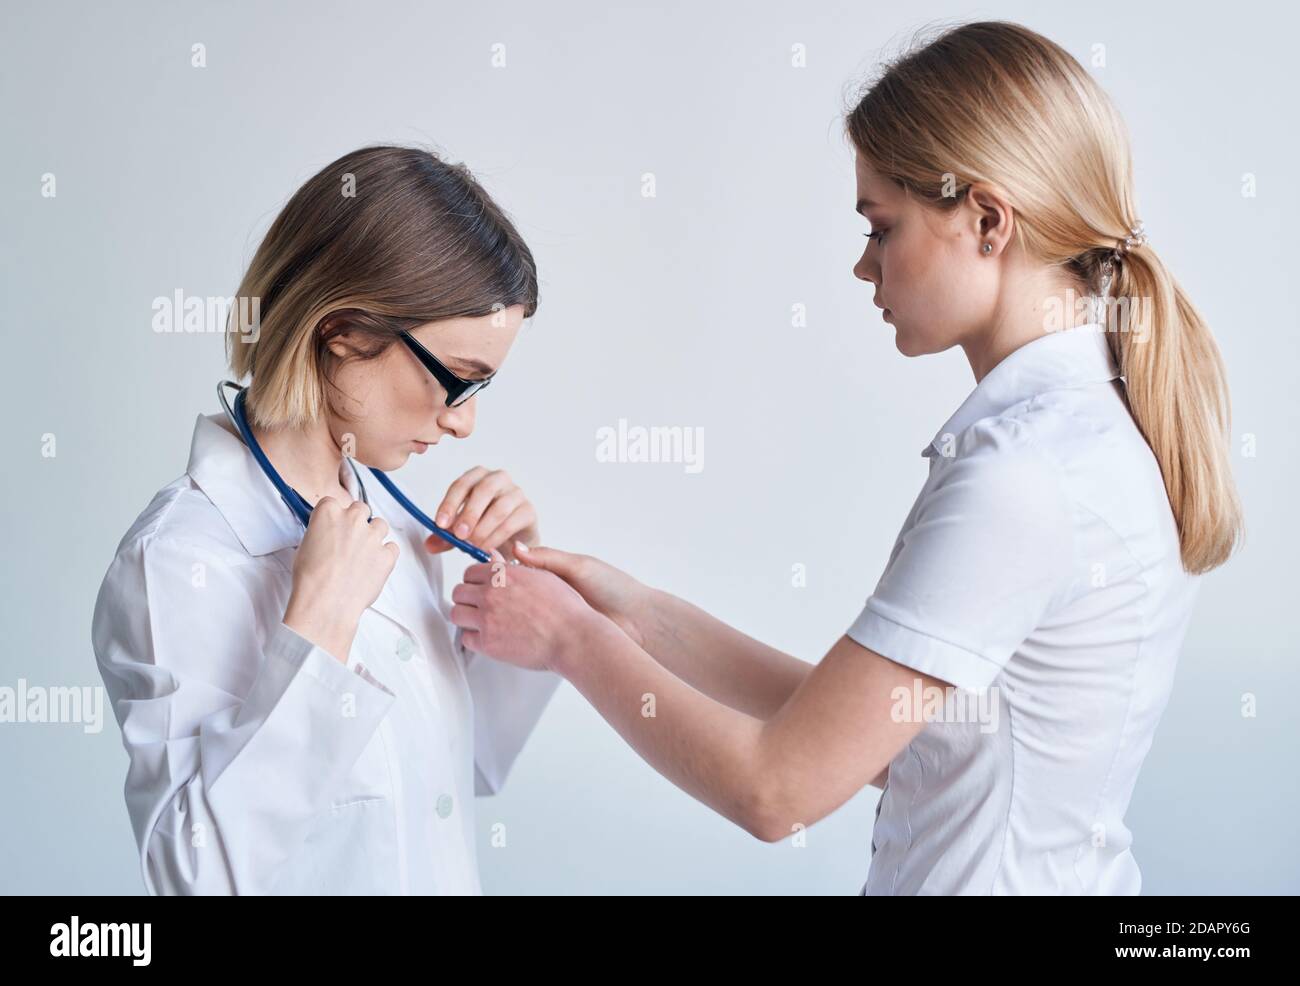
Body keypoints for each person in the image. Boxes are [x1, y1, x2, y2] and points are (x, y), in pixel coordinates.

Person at [448, 21, 1244, 895]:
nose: (864, 266)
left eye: (882, 227)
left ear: (987, 220)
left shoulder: (1022, 478)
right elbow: (883, 741)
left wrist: (569, 641)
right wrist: (637, 615)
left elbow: (776, 789)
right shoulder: (1081, 434)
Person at [91, 145, 559, 895]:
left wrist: (518, 593)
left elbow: (457, 773)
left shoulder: (396, 526)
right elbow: (194, 877)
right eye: (454, 381)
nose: (463, 426)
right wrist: (314, 633)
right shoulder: (180, 560)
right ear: (343, 329)